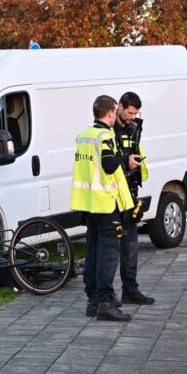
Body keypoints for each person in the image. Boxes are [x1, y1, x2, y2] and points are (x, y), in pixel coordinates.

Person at [71, 95, 135, 321]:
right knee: (108, 255)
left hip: (88, 205)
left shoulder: (83, 136)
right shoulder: (105, 136)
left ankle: (93, 301)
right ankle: (106, 303)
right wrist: (123, 157)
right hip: (106, 204)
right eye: (115, 111)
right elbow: (109, 165)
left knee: (93, 253)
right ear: (110, 112)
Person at [113, 91, 155, 305]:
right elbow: (105, 163)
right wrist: (124, 162)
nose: (132, 117)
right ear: (119, 106)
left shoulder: (133, 127)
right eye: (129, 112)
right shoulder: (108, 129)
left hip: (129, 192)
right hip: (111, 196)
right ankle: (105, 295)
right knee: (110, 247)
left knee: (130, 244)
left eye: (135, 113)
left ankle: (130, 289)